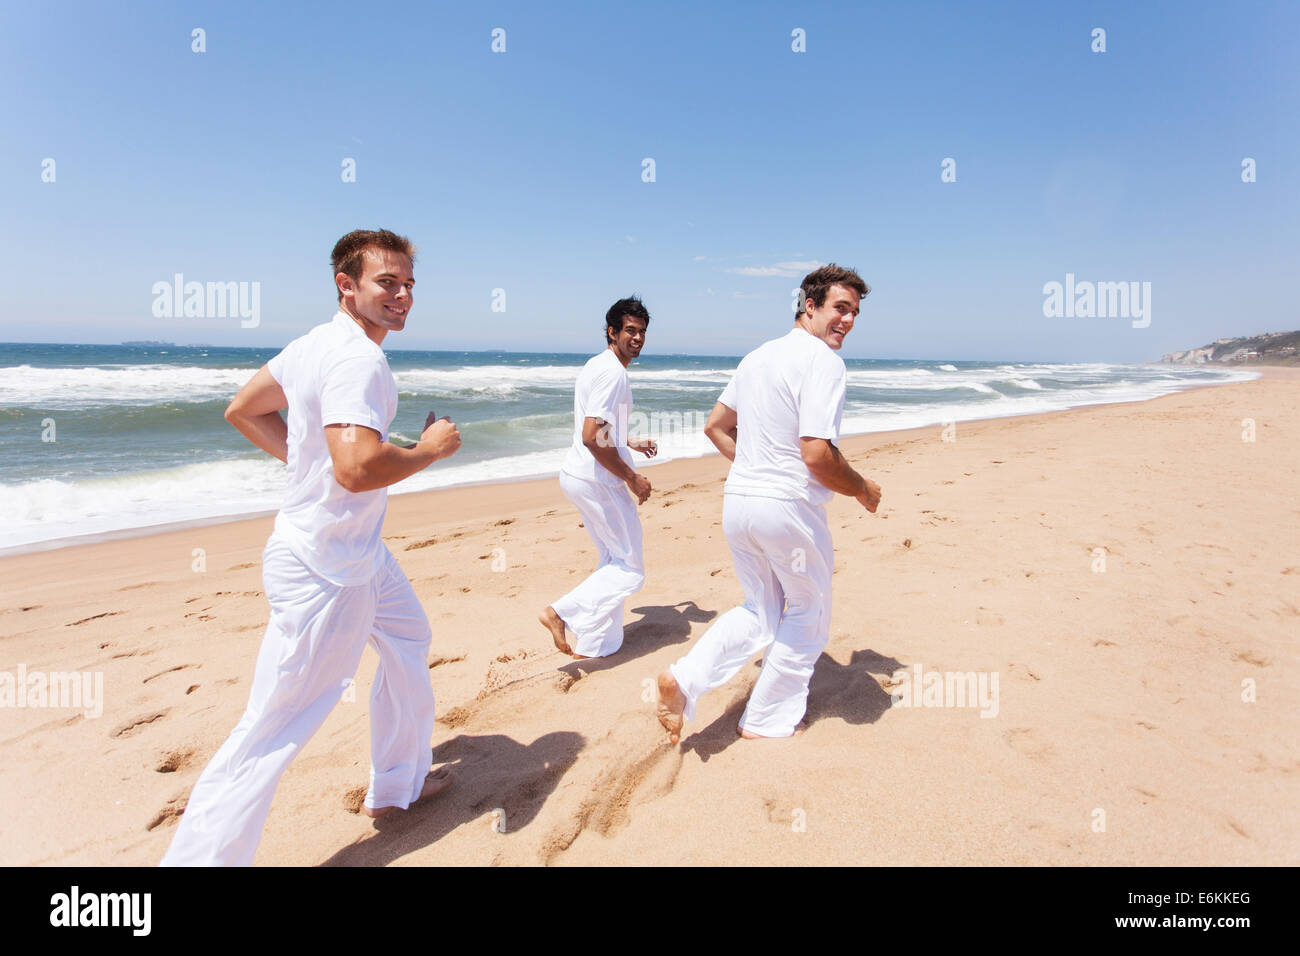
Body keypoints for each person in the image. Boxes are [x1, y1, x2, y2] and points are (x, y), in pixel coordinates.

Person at [161, 229, 462, 866]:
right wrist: (426, 451)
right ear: (346, 285)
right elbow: (355, 469)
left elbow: (243, 409)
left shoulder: (314, 344)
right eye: (388, 283)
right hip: (327, 570)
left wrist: (312, 466)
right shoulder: (358, 359)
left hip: (356, 554)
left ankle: (394, 786)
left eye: (409, 284)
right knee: (272, 728)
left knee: (409, 640)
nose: (403, 295)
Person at [656, 264, 882, 742]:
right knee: (809, 609)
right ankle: (765, 719)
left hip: (740, 502)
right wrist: (861, 488)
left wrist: (755, 468)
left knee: (761, 610)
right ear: (810, 305)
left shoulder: (758, 356)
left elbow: (714, 425)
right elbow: (817, 454)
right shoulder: (824, 362)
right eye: (840, 308)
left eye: (856, 312)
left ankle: (684, 678)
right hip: (785, 509)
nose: (849, 320)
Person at [539, 297, 658, 659]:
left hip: (579, 475)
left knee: (612, 559)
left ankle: (599, 644)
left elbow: (599, 428)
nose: (637, 338)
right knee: (629, 569)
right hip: (598, 481)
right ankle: (559, 613)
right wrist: (631, 479)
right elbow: (592, 436)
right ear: (612, 332)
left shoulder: (598, 365)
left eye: (642, 332)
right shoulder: (613, 373)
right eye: (629, 331)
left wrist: (629, 440)